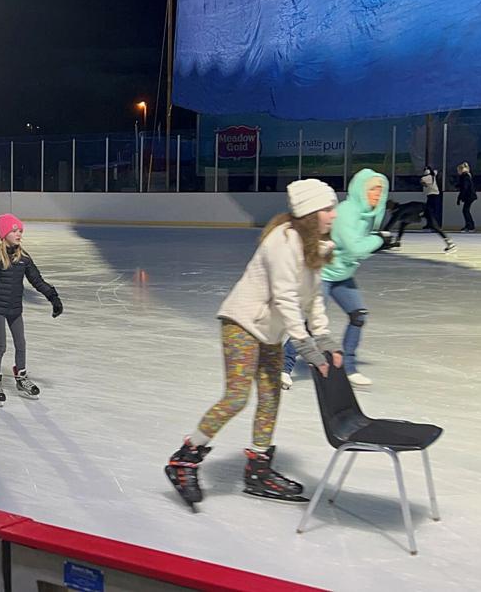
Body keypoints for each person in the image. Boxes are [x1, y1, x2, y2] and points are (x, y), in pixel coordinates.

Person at [165, 179, 343, 510]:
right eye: (328, 209)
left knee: (271, 396)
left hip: (271, 332)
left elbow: (313, 296)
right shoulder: (283, 240)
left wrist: (325, 336)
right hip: (242, 325)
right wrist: (306, 345)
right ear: (310, 212)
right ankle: (183, 461)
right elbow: (286, 297)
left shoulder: (314, 244)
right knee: (236, 397)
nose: (334, 215)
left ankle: (258, 469)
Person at [283, 169, 392, 389]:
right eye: (372, 189)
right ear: (360, 190)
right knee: (309, 323)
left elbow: (359, 250)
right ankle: (284, 366)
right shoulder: (347, 212)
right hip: (323, 274)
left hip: (343, 275)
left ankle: (349, 368)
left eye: (380, 190)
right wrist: (379, 239)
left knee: (358, 315)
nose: (376, 195)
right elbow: (354, 249)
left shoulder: (370, 215)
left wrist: (374, 240)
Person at [0, 213, 63, 406]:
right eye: (14, 230)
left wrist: (52, 297)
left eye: (20, 230)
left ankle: (21, 377)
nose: (19, 234)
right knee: (1, 345)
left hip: (14, 307)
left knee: (21, 343)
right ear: (4, 233)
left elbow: (37, 280)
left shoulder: (24, 258)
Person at [382, 200, 456, 252]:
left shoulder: (399, 211)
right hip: (415, 213)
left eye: (388, 210)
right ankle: (398, 242)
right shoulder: (399, 210)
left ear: (391, 208)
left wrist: (384, 232)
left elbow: (392, 222)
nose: (389, 212)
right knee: (403, 223)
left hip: (425, 209)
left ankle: (450, 243)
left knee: (434, 226)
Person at [456, 162, 477, 233]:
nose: (457, 172)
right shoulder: (466, 176)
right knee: (465, 210)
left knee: (465, 210)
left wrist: (460, 197)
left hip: (469, 196)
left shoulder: (465, 176)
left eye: (458, 170)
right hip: (470, 196)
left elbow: (465, 187)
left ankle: (470, 226)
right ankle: (470, 225)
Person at [420, 166, 443, 230]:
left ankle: (432, 225)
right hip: (435, 195)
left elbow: (422, 182)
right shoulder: (433, 175)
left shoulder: (424, 178)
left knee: (431, 211)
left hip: (432, 195)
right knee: (433, 211)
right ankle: (433, 225)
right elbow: (436, 171)